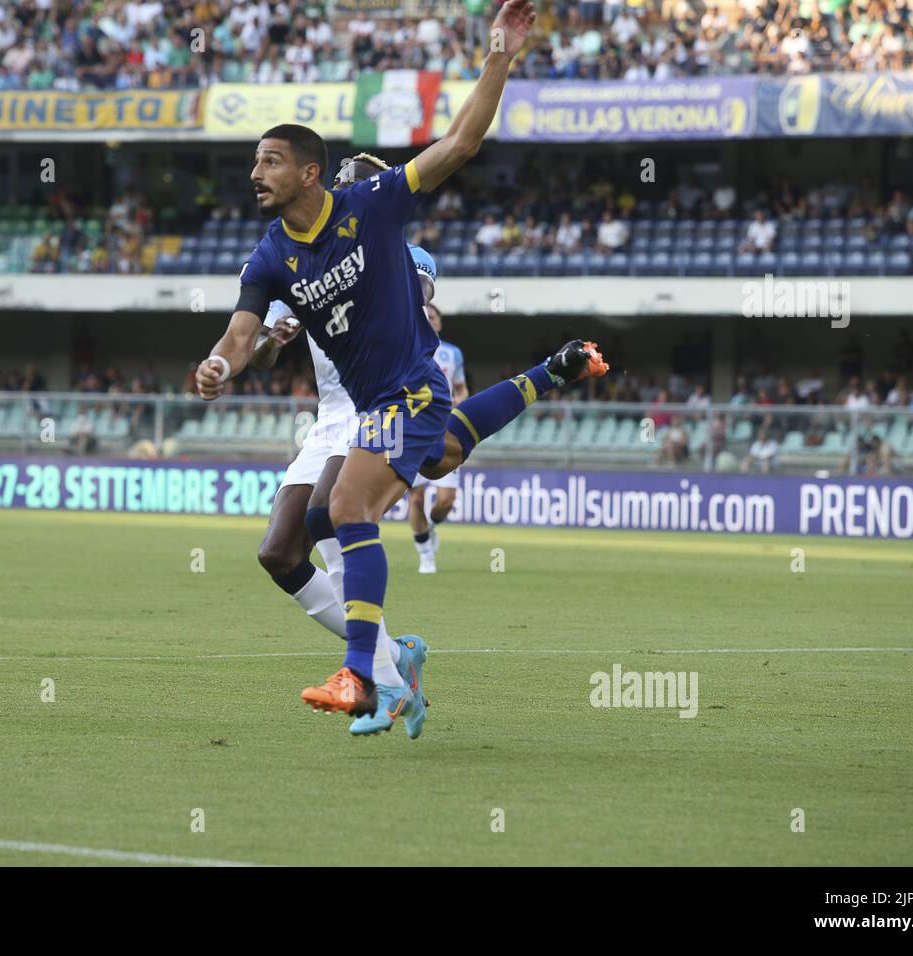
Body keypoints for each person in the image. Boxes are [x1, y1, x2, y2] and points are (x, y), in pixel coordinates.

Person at [193, 0, 606, 729]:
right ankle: (552, 371)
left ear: (316, 173)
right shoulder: (270, 254)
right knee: (432, 458)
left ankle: (366, 674)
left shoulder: (375, 208)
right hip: (361, 406)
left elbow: (460, 143)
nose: (254, 171)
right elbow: (240, 333)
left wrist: (500, 54)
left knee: (343, 509)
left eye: (270, 159)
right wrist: (222, 366)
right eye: (254, 159)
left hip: (398, 393)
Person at [250, 152, 443, 737]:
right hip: (329, 418)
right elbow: (261, 351)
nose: (348, 192)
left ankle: (374, 676)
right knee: (279, 552)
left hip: (380, 404)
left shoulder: (398, 251)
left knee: (329, 516)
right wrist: (274, 335)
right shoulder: (300, 257)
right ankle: (393, 655)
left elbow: (425, 311)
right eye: (342, 183)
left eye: (359, 185)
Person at [410, 303, 468, 574]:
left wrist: (459, 404)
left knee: (445, 500)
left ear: (440, 323)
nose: (429, 321)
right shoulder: (406, 348)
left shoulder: (452, 353)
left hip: (444, 430)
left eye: (432, 317)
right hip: (413, 429)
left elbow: (461, 388)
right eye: (424, 317)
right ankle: (425, 556)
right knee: (416, 498)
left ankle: (431, 528)